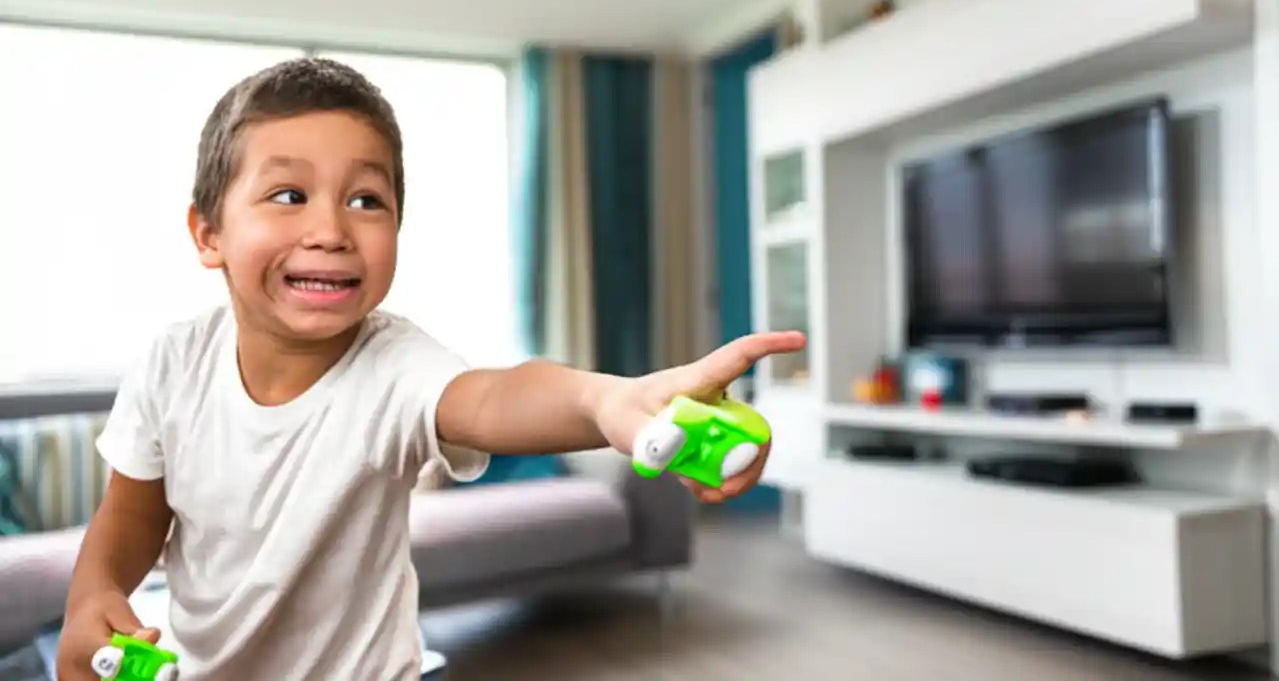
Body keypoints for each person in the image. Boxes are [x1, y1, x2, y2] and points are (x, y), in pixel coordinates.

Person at [54, 57, 805, 680]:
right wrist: (94, 592)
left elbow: (494, 398)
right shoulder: (172, 363)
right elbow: (131, 517)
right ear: (208, 231)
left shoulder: (390, 364)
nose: (330, 229)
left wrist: (607, 400)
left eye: (366, 199)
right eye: (289, 195)